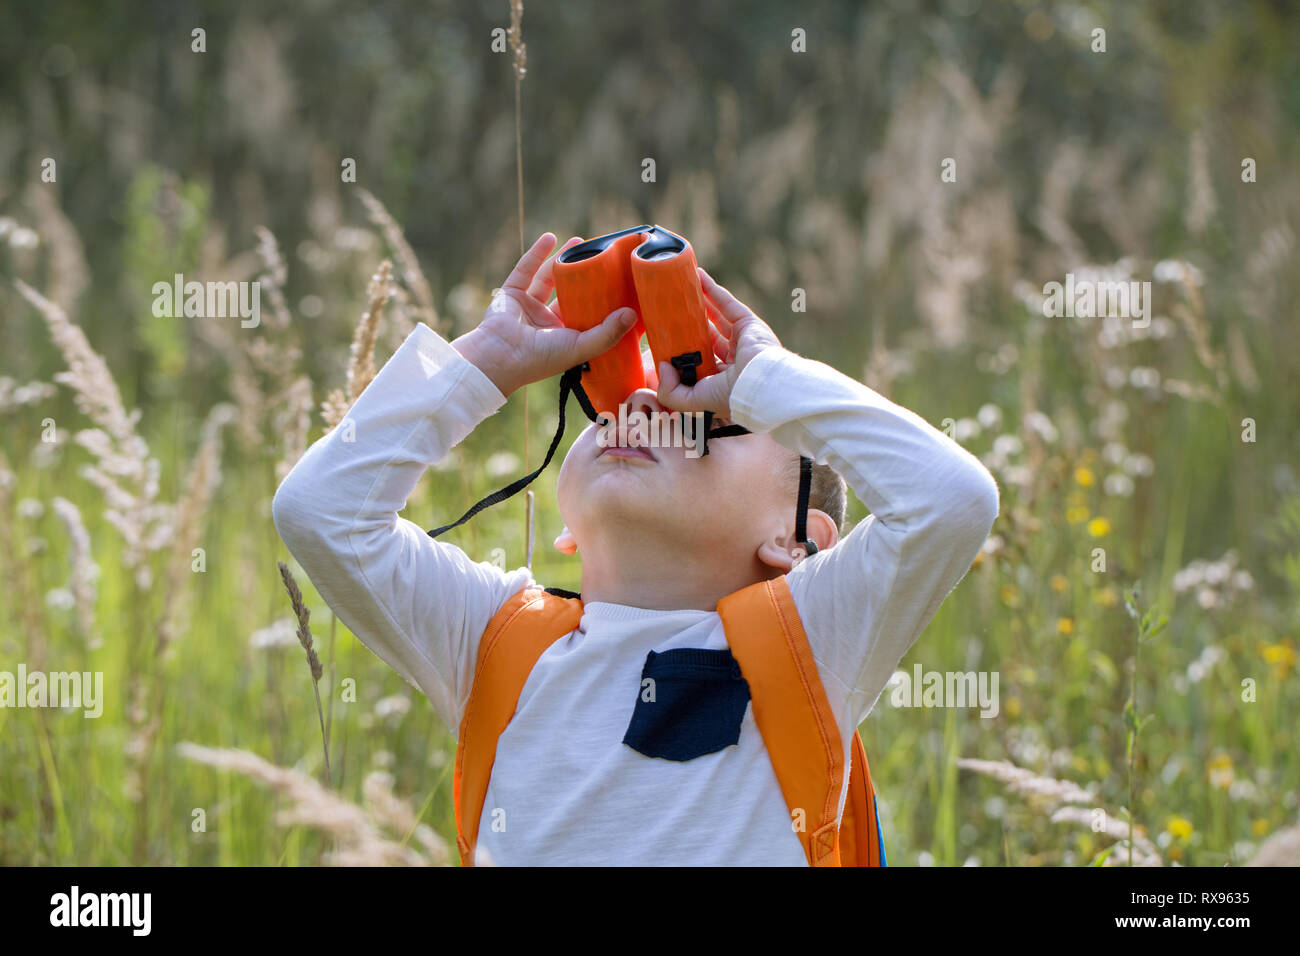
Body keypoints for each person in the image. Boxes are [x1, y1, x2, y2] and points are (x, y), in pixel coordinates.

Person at [272, 232, 1000, 865]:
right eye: (616, 401)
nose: (646, 411)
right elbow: (320, 511)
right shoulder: (495, 641)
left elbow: (953, 500)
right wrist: (484, 364)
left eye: (713, 420)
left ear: (799, 541)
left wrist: (762, 380)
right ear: (570, 530)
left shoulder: (811, 644)